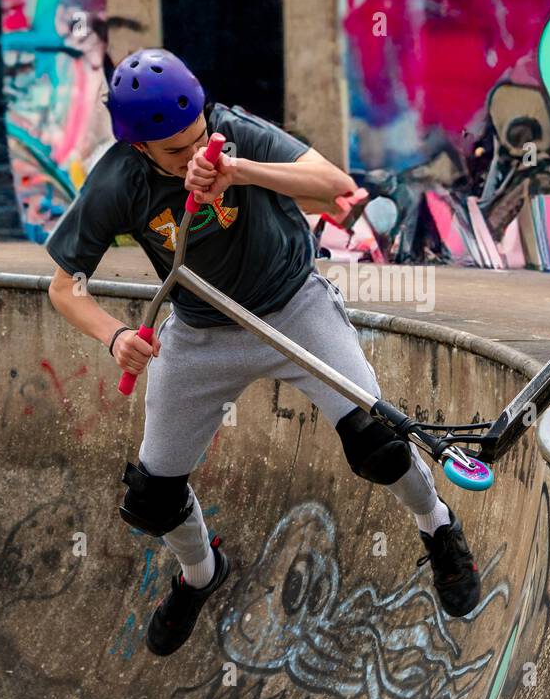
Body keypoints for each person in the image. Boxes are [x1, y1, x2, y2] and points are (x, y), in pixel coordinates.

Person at [45, 48, 482, 656]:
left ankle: (437, 526)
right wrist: (114, 336)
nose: (197, 154)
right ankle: (201, 574)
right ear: (139, 148)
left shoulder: (234, 134)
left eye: (199, 137)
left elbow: (337, 190)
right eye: (175, 151)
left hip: (292, 307)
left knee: (377, 443)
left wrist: (242, 172)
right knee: (152, 497)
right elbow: (65, 288)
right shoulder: (120, 180)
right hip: (201, 334)